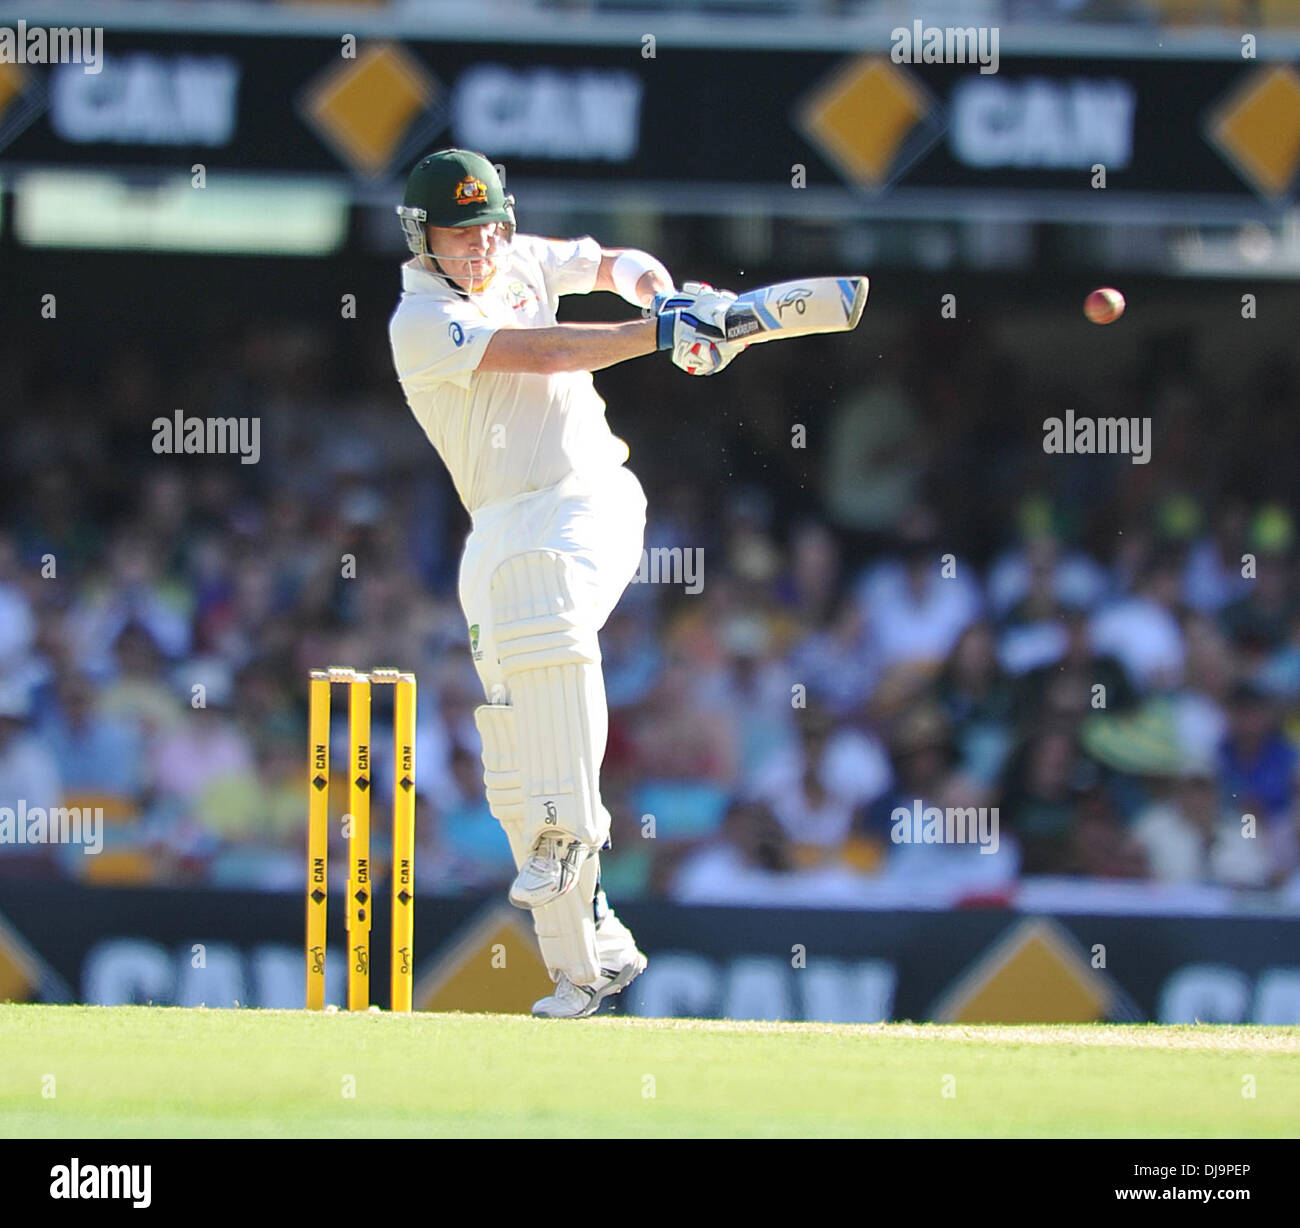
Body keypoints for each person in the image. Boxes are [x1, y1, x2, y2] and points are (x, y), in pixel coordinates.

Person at [387, 149, 745, 1016]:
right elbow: (538, 351)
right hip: (496, 526)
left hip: (588, 498)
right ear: (421, 238)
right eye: (457, 235)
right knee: (511, 749)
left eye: (487, 230)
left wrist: (662, 296)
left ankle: (575, 834)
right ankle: (586, 964)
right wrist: (659, 336)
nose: (478, 249)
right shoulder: (418, 320)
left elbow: (616, 264)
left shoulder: (522, 256)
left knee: (547, 616)